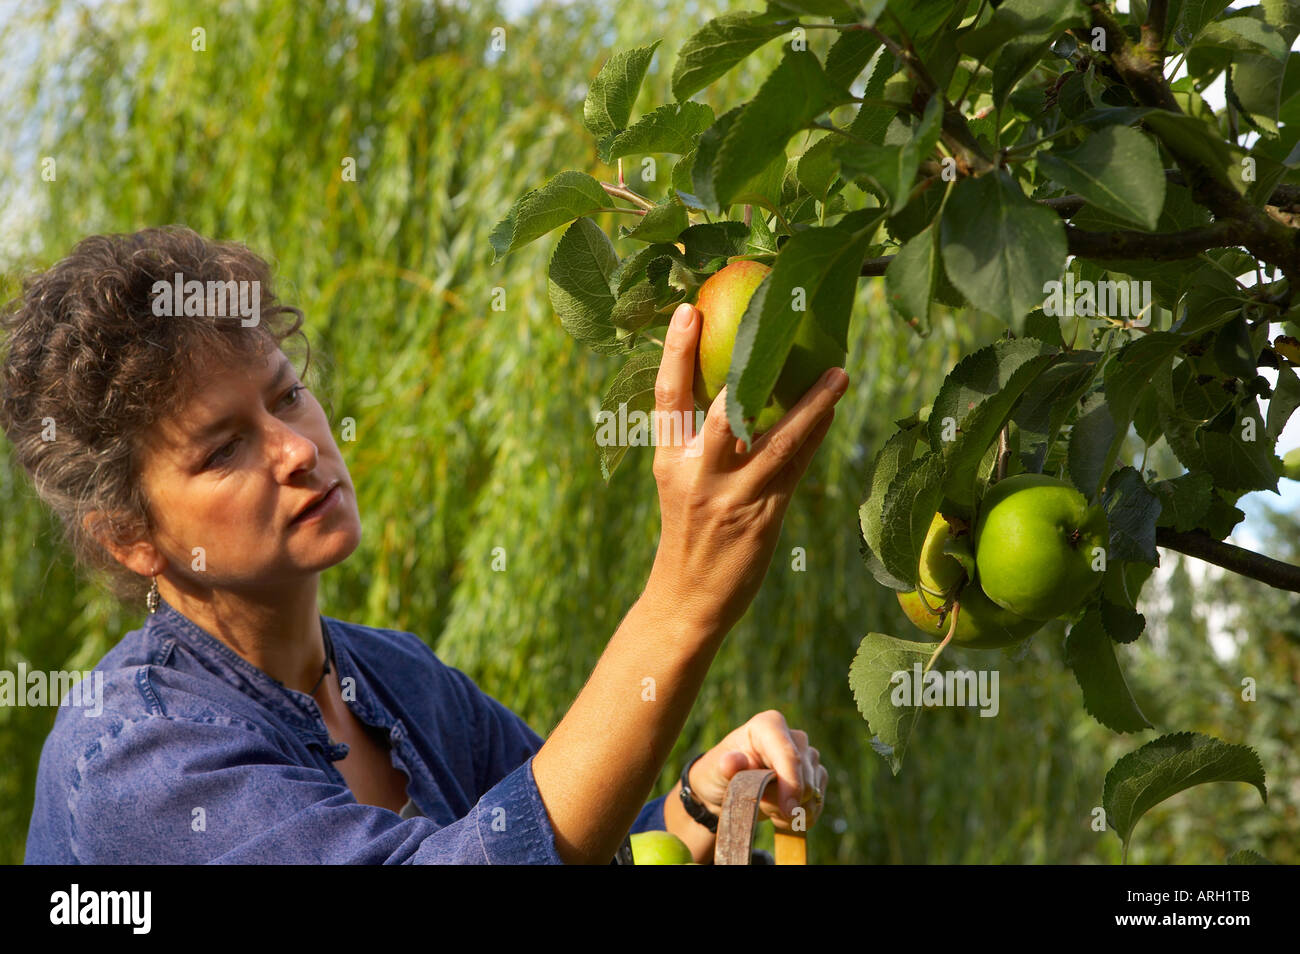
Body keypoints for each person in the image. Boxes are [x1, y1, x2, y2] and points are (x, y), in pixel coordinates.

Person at [2, 227, 844, 864]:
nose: (296, 449)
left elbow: (580, 834)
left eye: (287, 395)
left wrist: (696, 805)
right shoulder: (133, 756)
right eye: (223, 450)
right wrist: (683, 600)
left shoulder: (401, 682)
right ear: (132, 538)